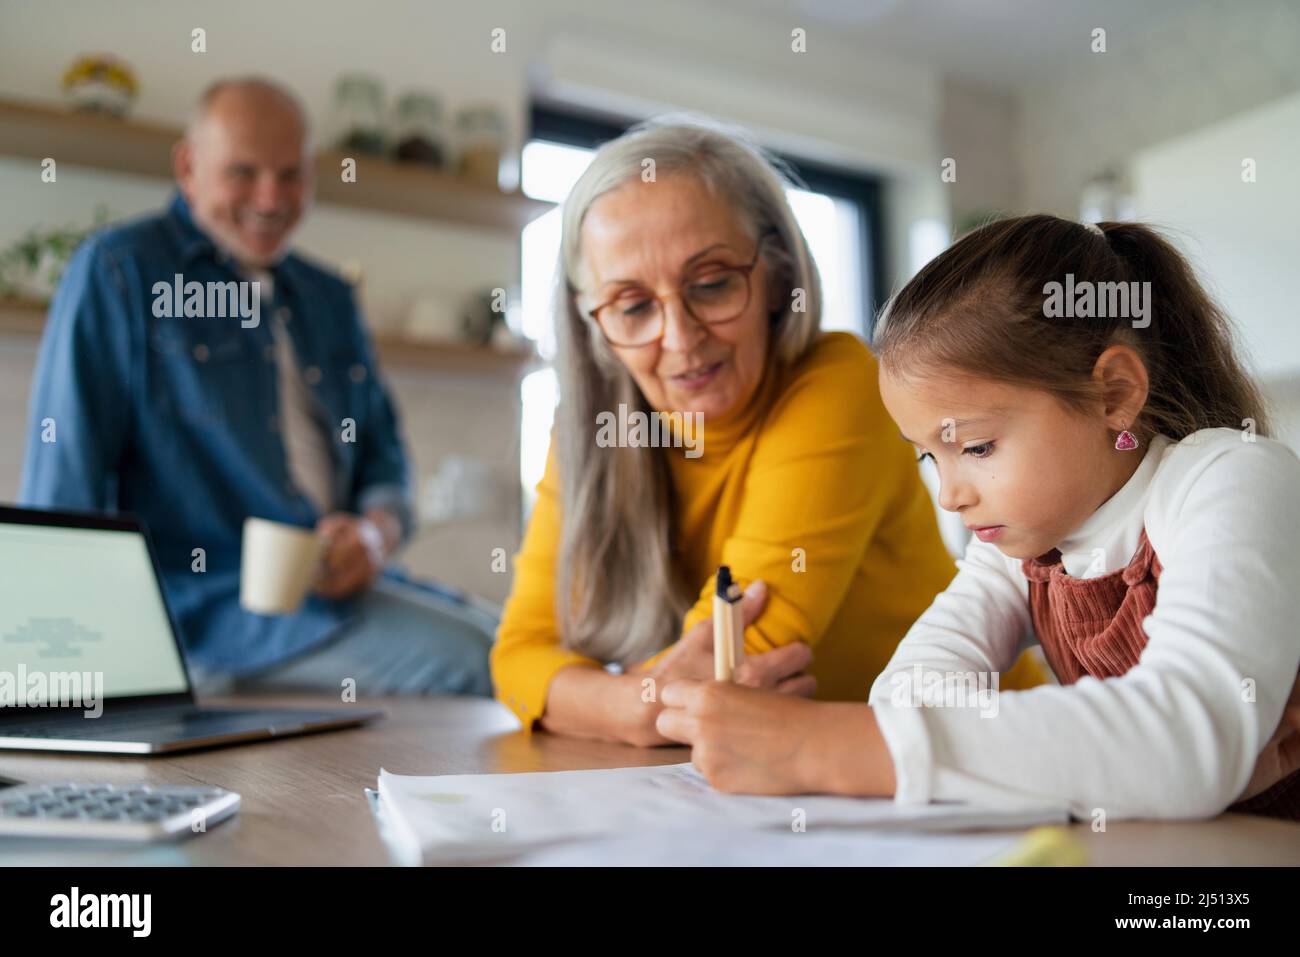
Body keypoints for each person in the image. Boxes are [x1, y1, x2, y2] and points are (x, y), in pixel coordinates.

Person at [657, 215, 1300, 821]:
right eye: (930, 459)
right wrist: (1154, 768)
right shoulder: (1017, 551)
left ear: (1114, 394)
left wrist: (815, 743)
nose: (951, 495)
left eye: (977, 447)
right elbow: (908, 698)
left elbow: (1184, 741)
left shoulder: (1232, 479)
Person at [491, 119, 1044, 745]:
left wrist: (599, 699)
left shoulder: (840, 383)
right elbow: (518, 657)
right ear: (594, 322)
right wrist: (639, 707)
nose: (680, 337)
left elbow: (726, 667)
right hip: (807, 790)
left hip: (987, 756)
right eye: (634, 305)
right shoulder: (595, 434)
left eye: (711, 284)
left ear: (779, 277)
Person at [20, 76, 493, 697]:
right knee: (484, 664)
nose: (271, 199)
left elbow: (385, 455)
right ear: (189, 167)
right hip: (212, 621)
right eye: (243, 173)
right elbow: (63, 492)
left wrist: (374, 535)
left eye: (291, 175)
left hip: (348, 596)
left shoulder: (328, 296)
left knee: (517, 645)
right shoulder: (119, 272)